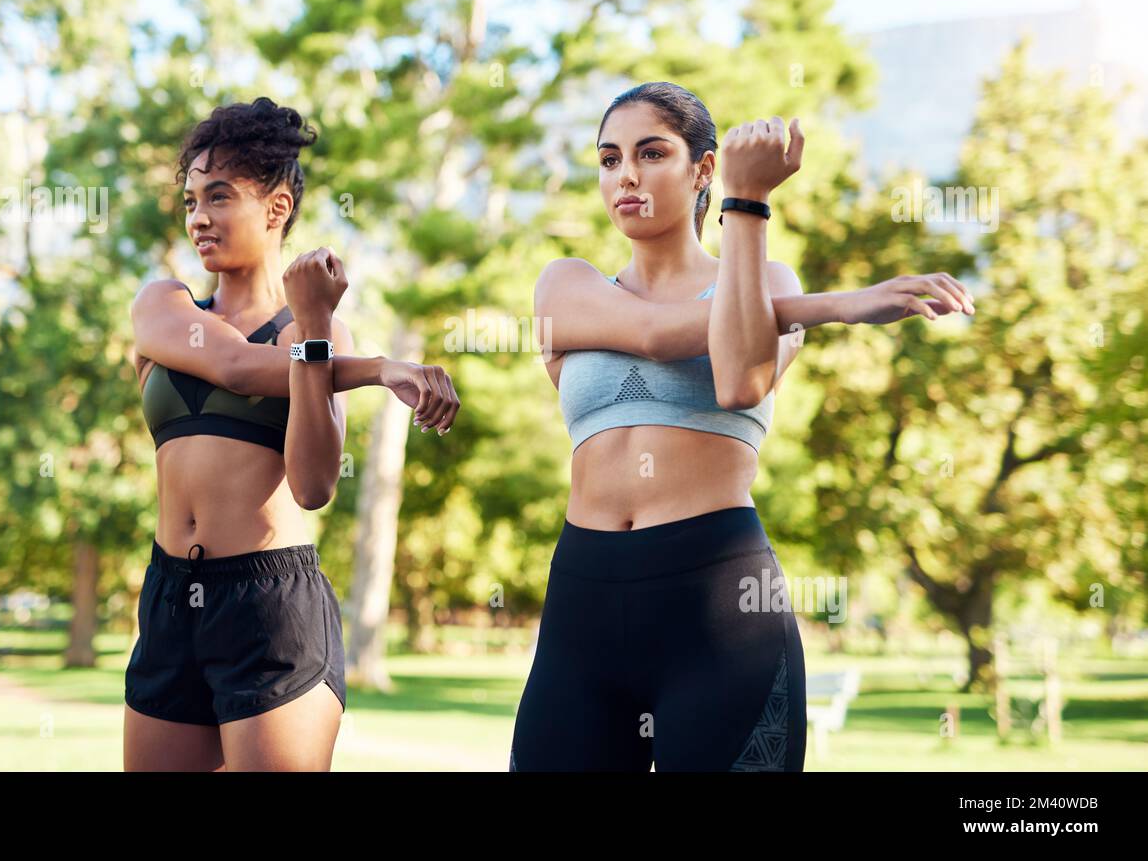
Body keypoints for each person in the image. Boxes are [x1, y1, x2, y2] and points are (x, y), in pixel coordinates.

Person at [510, 81, 975, 771]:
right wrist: (830, 306)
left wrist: (749, 203)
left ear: (704, 171)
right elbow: (652, 332)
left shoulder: (770, 278)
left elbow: (738, 379)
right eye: (609, 159)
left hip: (721, 608)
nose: (626, 175)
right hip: (583, 601)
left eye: (651, 153)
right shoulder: (568, 284)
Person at [123, 97, 460, 771]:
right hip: (169, 596)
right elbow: (232, 363)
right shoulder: (163, 306)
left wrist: (312, 328)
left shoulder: (316, 332)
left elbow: (312, 485)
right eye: (191, 199)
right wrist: (376, 369)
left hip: (269, 604)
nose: (198, 217)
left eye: (219, 197)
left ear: (276, 208)